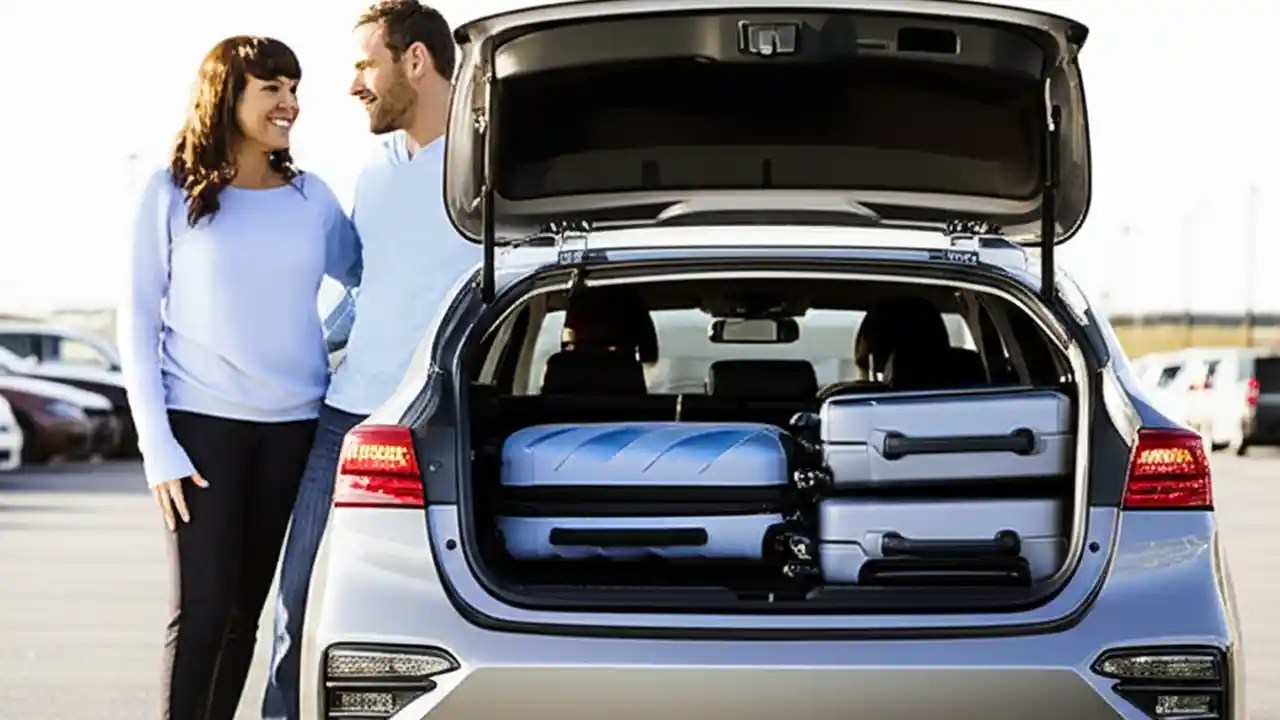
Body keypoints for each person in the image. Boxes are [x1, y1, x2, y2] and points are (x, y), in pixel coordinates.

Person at [118, 35, 361, 720]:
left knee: (241, 618)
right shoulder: (169, 192)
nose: (290, 103)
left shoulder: (312, 198)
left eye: (294, 89)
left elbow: (369, 279)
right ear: (227, 95)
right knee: (201, 612)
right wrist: (157, 447)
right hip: (200, 430)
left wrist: (332, 339)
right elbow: (136, 318)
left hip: (292, 429)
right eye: (272, 88)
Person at [262, 3, 477, 718]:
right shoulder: (374, 170)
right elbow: (366, 288)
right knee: (296, 613)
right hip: (344, 420)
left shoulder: (487, 170)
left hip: (439, 426)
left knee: (416, 633)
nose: (353, 85)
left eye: (365, 65)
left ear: (415, 60)